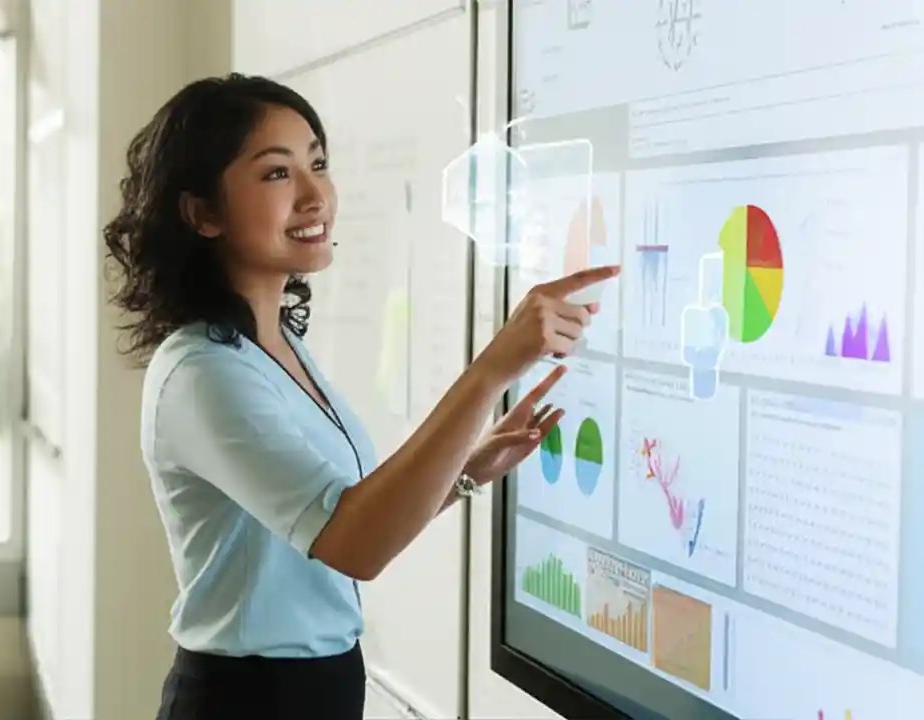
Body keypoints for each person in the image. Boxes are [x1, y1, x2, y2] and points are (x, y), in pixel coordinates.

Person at [102, 73, 618, 720]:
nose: (317, 195)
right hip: (249, 700)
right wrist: (490, 369)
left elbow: (342, 516)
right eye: (276, 174)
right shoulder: (202, 373)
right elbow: (354, 543)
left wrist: (466, 470)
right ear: (202, 212)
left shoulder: (274, 346)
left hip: (315, 689)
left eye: (318, 163)